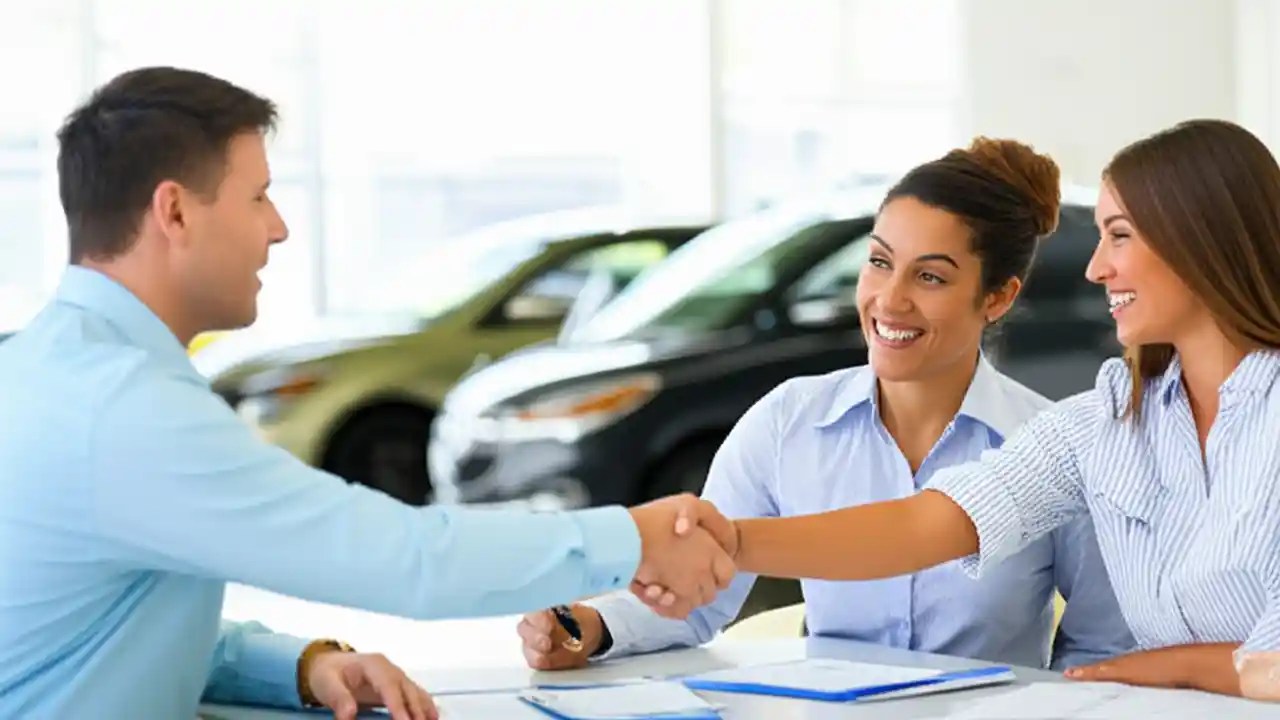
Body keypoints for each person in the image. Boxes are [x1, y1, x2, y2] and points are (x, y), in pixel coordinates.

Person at [0, 66, 737, 720]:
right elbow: (403, 557)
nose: (278, 229)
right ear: (175, 212)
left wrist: (304, 666)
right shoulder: (123, 409)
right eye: (258, 196)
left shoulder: (51, 370)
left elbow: (105, 622)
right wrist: (632, 541)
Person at [652, 119, 1280, 701]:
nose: (1095, 269)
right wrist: (728, 539)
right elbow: (924, 526)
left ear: (1202, 242)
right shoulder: (1106, 422)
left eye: (1119, 236)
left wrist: (1181, 666)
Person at [517, 139, 1135, 673]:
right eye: (879, 262)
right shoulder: (790, 421)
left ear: (997, 297)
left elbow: (1099, 649)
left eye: (930, 277)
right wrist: (586, 629)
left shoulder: (1049, 450)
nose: (889, 301)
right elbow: (701, 593)